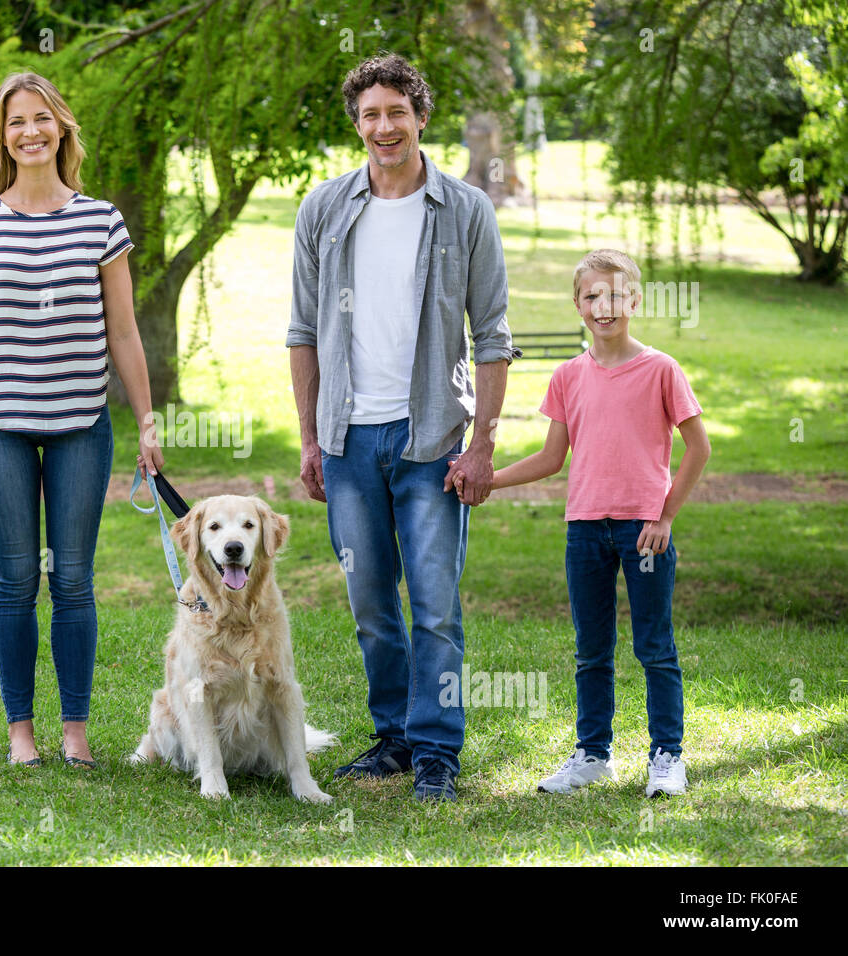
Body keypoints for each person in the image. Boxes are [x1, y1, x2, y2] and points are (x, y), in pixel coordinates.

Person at [0, 72, 163, 769]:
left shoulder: (100, 219)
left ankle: (75, 731)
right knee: (16, 579)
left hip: (82, 424)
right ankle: (21, 730)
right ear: (3, 135)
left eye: (42, 118)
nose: (31, 132)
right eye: (17, 121)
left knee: (76, 580)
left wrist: (146, 422)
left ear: (62, 128)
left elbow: (124, 332)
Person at [287, 53, 514, 802]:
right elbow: (303, 334)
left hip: (433, 445)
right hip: (349, 442)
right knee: (371, 607)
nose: (383, 127)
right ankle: (394, 737)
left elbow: (493, 334)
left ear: (420, 117)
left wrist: (481, 445)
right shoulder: (324, 209)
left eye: (396, 112)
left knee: (437, 607)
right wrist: (310, 439)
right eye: (369, 115)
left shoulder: (466, 210)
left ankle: (438, 754)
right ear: (357, 125)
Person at [491, 249, 710, 797]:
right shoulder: (568, 376)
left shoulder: (661, 369)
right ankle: (592, 754)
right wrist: (486, 480)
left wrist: (664, 515)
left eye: (614, 295)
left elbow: (699, 449)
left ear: (634, 300)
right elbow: (550, 459)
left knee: (654, 646)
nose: (603, 306)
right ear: (577, 304)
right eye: (592, 296)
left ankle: (667, 757)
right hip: (584, 528)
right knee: (591, 650)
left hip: (643, 529)